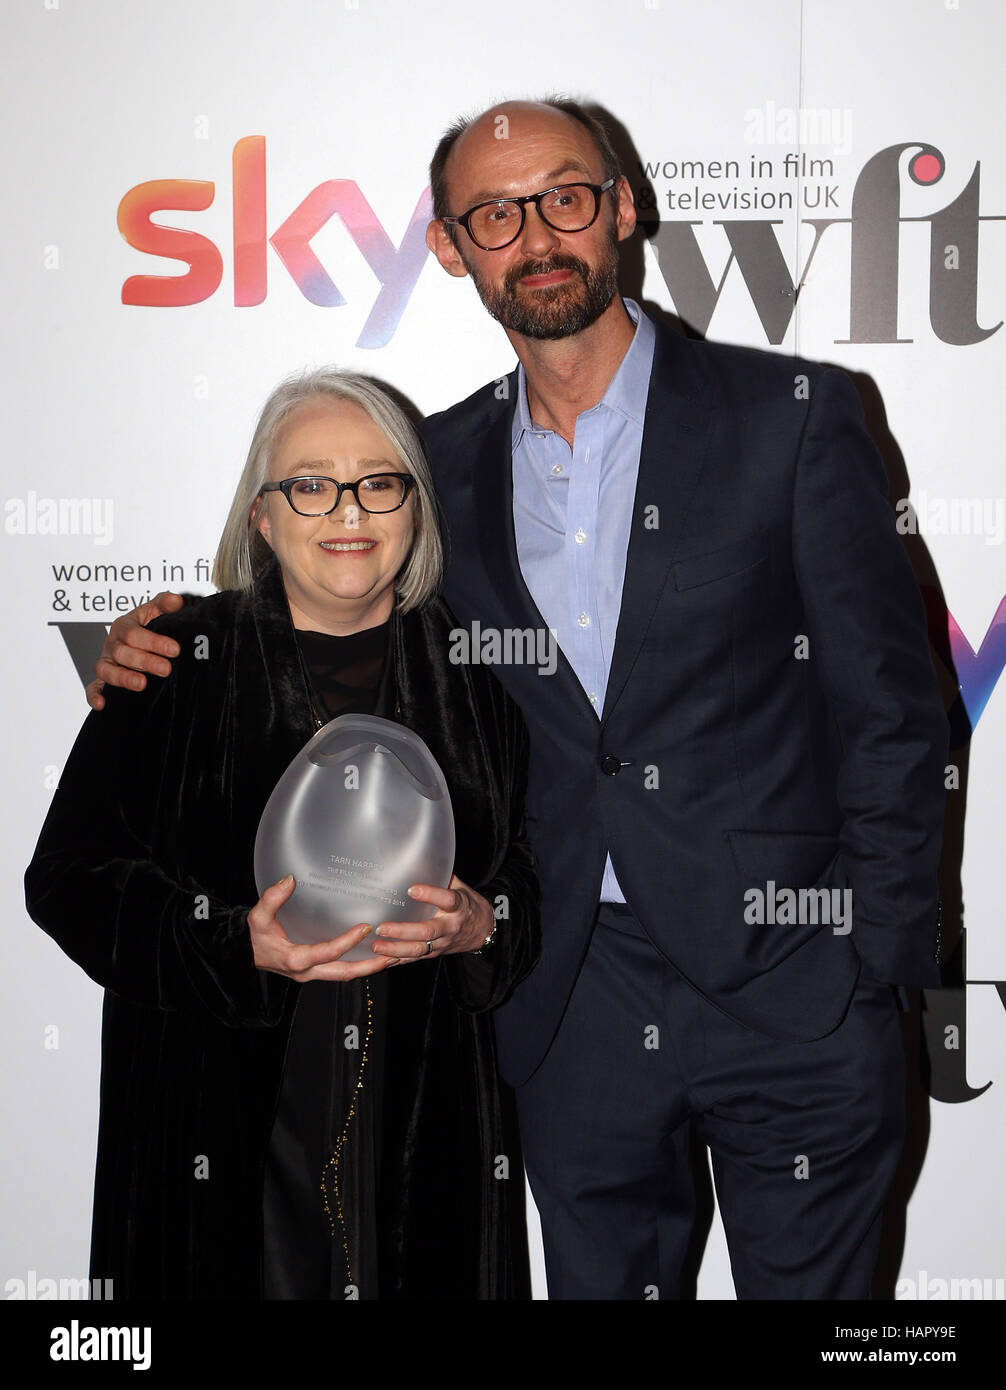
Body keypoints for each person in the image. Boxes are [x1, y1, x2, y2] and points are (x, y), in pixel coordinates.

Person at [87, 99, 949, 1301]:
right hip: (567, 1003)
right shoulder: (432, 468)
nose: (534, 235)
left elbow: (894, 712)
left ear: (623, 206)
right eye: (494, 213)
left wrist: (878, 967)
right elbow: (317, 597)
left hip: (792, 986)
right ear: (449, 246)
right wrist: (169, 636)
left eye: (564, 196)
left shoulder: (790, 419)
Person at [26, 368, 539, 1301]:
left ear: (414, 509)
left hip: (419, 1133)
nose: (348, 509)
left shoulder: (480, 679)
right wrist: (224, 943)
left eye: (378, 481)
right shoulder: (173, 666)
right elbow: (64, 879)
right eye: (310, 483)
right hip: (215, 1127)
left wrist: (483, 925)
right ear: (262, 516)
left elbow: (531, 880)